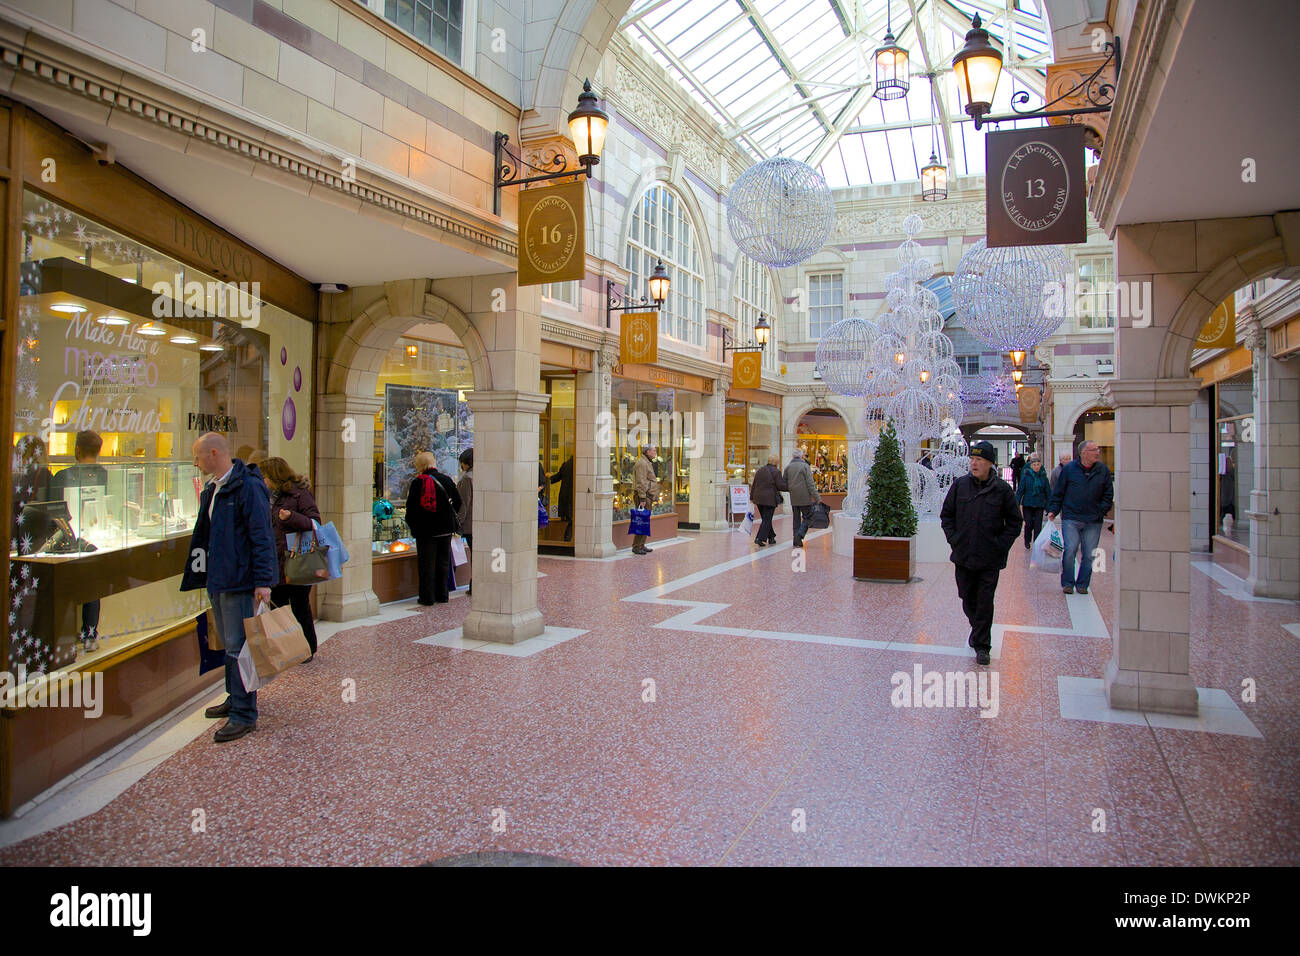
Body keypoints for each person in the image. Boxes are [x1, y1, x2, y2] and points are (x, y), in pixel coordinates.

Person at [180, 433, 276, 743]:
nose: (195, 463)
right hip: (217, 579)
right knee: (228, 644)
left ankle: (244, 714)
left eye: (198, 457)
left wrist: (264, 581)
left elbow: (262, 535)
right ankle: (234, 697)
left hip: (238, 580)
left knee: (238, 646)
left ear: (213, 453)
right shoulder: (214, 489)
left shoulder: (247, 487)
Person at [940, 441, 1022, 665]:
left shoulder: (1002, 490)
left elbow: (1015, 522)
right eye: (972, 459)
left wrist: (1000, 545)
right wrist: (954, 539)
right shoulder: (960, 486)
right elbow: (946, 515)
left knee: (985, 601)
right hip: (963, 555)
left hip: (989, 558)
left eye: (979, 460)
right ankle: (978, 631)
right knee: (967, 597)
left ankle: (982, 646)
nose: (974, 463)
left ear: (989, 464)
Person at [50, 430, 109, 650]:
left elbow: (53, 510)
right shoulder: (102, 474)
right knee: (92, 585)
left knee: (67, 586)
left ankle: (62, 637)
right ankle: (89, 634)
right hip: (94, 534)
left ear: (77, 449)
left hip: (68, 537)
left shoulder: (63, 476)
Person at [262, 457, 322, 661]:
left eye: (265, 476)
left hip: (297, 561)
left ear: (274, 476)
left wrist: (291, 518)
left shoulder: (299, 493)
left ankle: (307, 648)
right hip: (274, 560)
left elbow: (315, 522)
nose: (262, 480)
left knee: (299, 605)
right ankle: (284, 648)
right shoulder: (263, 495)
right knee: (277, 606)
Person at [1046, 440, 1114, 595]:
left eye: (1097, 449)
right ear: (1084, 453)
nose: (1098, 452)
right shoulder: (1069, 469)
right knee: (1070, 550)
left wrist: (1101, 510)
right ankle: (1068, 583)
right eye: (1094, 450)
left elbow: (1108, 493)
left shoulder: (1102, 470)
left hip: (1093, 519)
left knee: (1089, 553)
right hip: (1071, 517)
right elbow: (1059, 491)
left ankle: (1082, 584)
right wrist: (1053, 509)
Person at [405, 450, 462, 604]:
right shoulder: (446, 480)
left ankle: (427, 597)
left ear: (420, 465)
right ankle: (442, 595)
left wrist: (414, 526)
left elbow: (411, 509)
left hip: (426, 531)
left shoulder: (418, 482)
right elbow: (458, 501)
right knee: (443, 563)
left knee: (426, 565)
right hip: (445, 530)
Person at [783, 448, 820, 548]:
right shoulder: (805, 466)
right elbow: (810, 483)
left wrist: (791, 489)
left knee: (796, 519)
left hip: (793, 497)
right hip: (804, 497)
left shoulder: (788, 467)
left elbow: (784, 482)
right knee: (808, 516)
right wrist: (817, 498)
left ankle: (796, 540)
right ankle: (799, 535)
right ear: (801, 456)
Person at [749, 453, 788, 547]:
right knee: (767, 519)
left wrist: (752, 497)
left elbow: (754, 484)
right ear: (777, 462)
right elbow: (780, 486)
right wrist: (791, 487)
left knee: (766, 519)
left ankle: (771, 537)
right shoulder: (776, 472)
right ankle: (760, 538)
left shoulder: (760, 470)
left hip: (758, 498)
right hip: (769, 499)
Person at [1016, 452, 1051, 551]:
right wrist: (1016, 504)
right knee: (1029, 524)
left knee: (1037, 525)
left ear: (1040, 465)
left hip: (1039, 504)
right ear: (1031, 466)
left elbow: (1048, 493)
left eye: (1038, 464)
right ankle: (1027, 540)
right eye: (1034, 465)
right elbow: (1020, 491)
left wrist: (1049, 507)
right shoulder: (1026, 477)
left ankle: (1036, 542)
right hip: (1028, 504)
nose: (1036, 466)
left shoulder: (1043, 478)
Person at [631, 445, 659, 555]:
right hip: (643, 496)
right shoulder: (642, 463)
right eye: (654, 451)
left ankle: (641, 545)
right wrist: (642, 497)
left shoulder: (646, 462)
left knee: (645, 521)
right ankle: (636, 546)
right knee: (641, 521)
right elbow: (640, 481)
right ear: (647, 452)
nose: (655, 453)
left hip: (647, 495)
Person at [456, 448, 473, 596]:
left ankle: (475, 585)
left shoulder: (467, 479)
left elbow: (464, 503)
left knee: (475, 554)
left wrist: (458, 522)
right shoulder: (482, 476)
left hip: (470, 525)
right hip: (480, 524)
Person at [549, 449, 575, 542]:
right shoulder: (577, 465)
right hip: (573, 498)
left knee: (571, 519)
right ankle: (567, 539)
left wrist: (548, 479)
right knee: (573, 520)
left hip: (565, 498)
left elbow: (557, 477)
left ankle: (568, 539)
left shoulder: (566, 465)